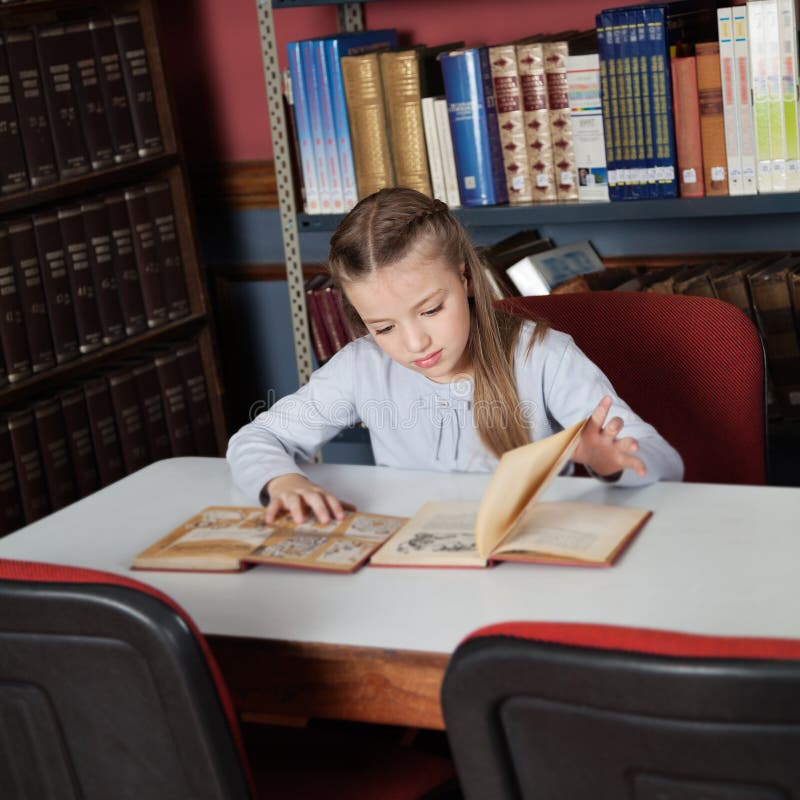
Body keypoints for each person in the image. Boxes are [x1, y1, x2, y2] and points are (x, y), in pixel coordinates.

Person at [227, 188, 683, 524]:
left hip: (526, 568)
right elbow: (254, 440)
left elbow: (665, 462)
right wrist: (283, 482)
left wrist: (610, 462)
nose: (415, 343)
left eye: (430, 310)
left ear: (465, 278)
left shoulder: (543, 356)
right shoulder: (361, 366)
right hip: (413, 572)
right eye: (383, 327)